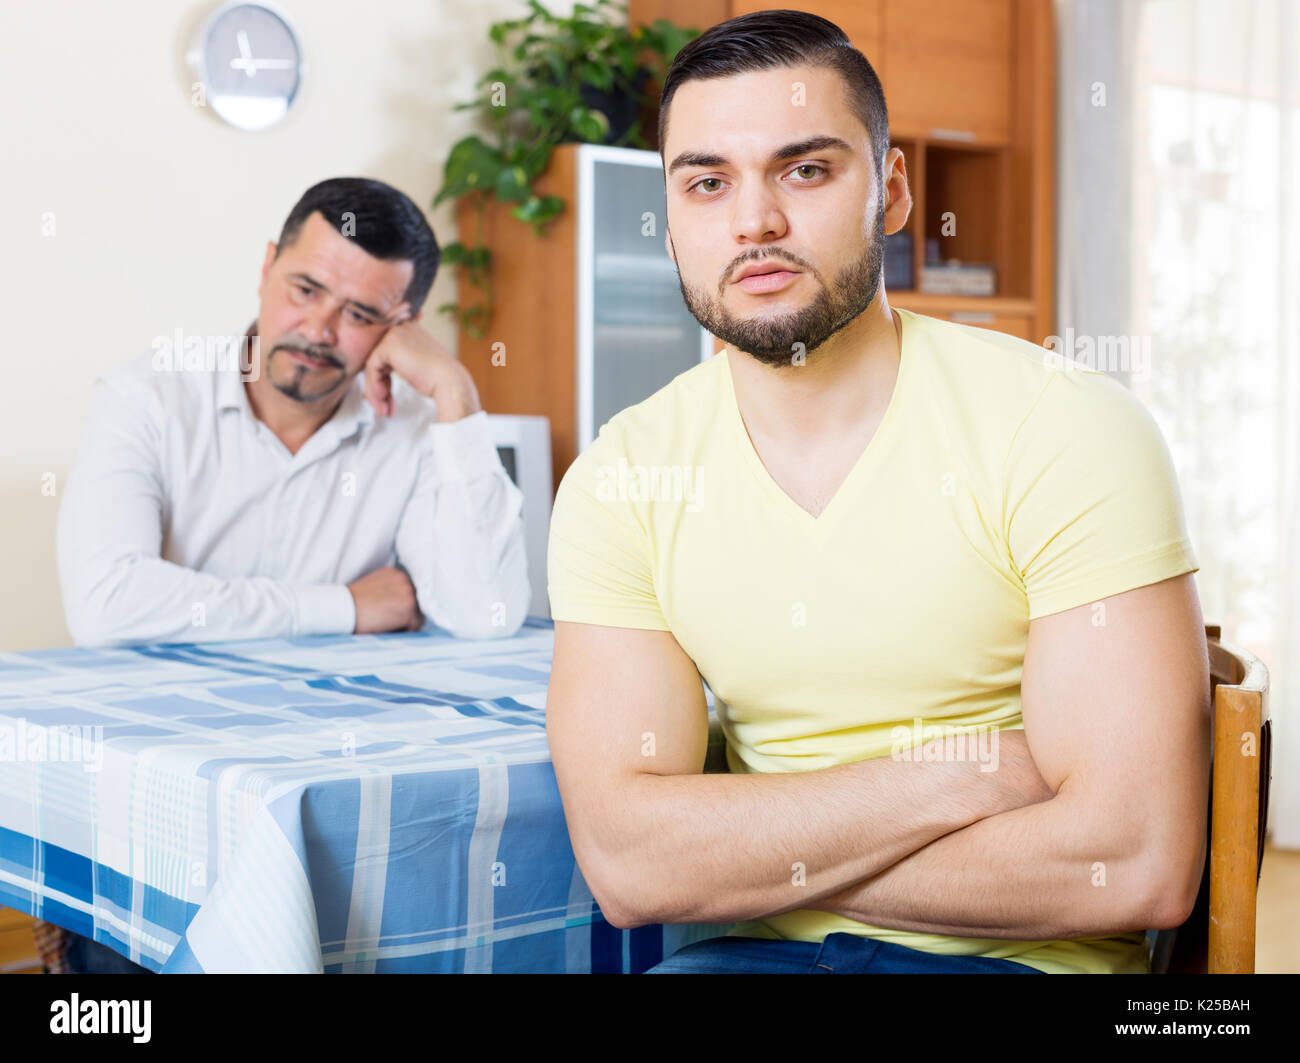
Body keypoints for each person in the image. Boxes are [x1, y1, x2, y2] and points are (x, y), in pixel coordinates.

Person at [545, 10, 1209, 974]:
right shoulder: (622, 478)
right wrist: (968, 775)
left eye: (806, 170)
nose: (754, 221)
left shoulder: (1065, 427)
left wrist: (744, 857)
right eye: (706, 182)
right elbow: (631, 867)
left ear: (892, 192)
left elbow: (1131, 860)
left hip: (1016, 962)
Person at [50, 176, 530, 972]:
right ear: (267, 265)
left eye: (362, 314)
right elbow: (105, 603)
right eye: (305, 288)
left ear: (399, 325)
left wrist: (453, 392)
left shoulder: (412, 431)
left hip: (333, 818)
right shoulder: (148, 398)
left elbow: (484, 611)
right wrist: (343, 606)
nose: (319, 329)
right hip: (161, 814)